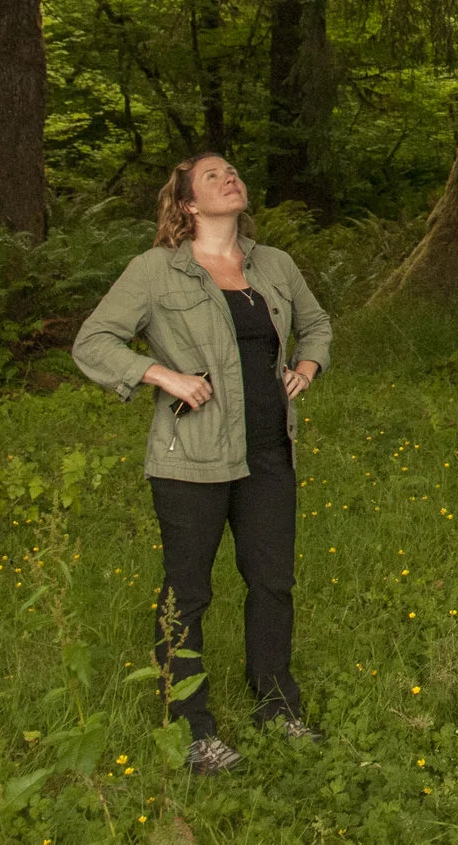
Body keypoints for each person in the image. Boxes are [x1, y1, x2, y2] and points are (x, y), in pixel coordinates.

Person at [73, 153, 332, 776]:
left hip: (269, 452)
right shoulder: (156, 270)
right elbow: (93, 341)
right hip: (191, 457)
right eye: (213, 176)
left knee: (272, 583)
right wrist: (160, 374)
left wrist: (306, 366)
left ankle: (277, 706)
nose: (229, 178)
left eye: (233, 172)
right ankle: (192, 730)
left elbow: (317, 324)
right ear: (188, 203)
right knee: (187, 594)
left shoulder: (274, 264)